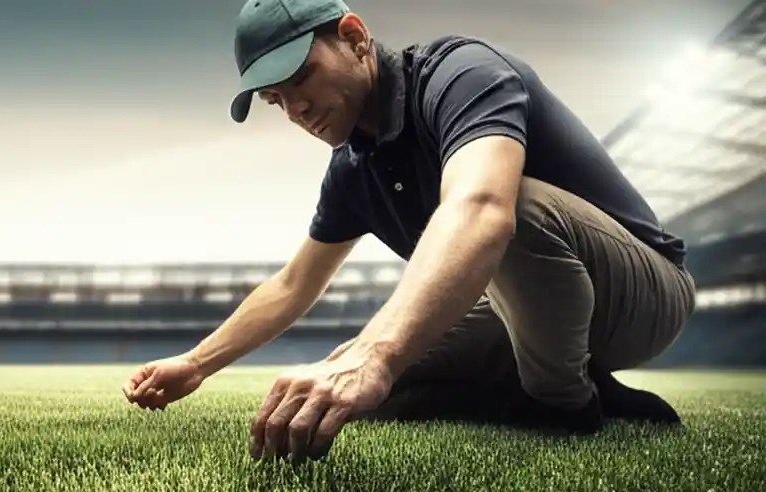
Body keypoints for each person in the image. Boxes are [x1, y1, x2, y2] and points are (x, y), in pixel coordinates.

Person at [122, 0, 696, 462]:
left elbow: (483, 210)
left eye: (302, 77)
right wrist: (196, 363)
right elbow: (294, 284)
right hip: (524, 311)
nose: (295, 107)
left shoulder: (460, 75)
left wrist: (377, 355)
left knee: (509, 206)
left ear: (354, 36)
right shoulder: (353, 168)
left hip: (643, 291)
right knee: (351, 392)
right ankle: (585, 392)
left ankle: (566, 403)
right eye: (276, 100)